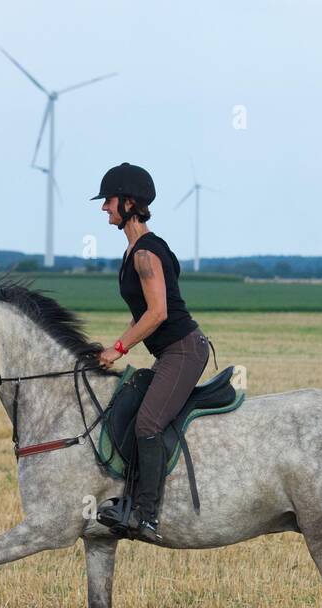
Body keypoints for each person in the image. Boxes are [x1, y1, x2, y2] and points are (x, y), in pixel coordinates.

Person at [92, 163, 211, 543]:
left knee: (147, 424)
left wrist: (118, 347)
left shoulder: (145, 254)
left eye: (108, 201)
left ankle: (146, 515)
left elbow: (157, 313)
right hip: (169, 353)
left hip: (184, 351)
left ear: (129, 203)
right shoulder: (133, 251)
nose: (104, 208)